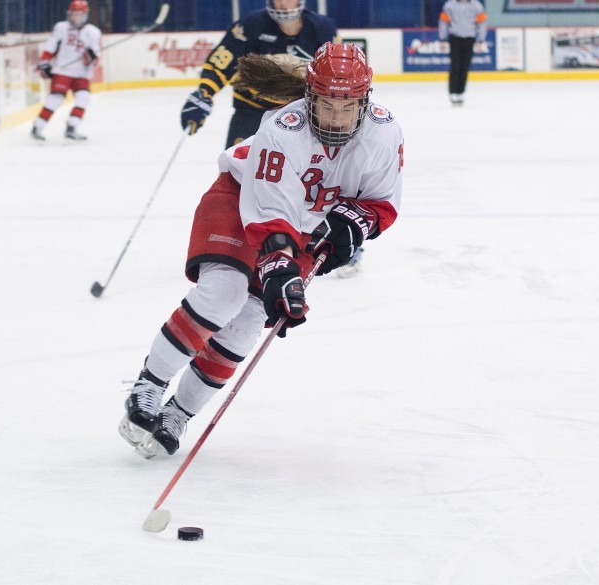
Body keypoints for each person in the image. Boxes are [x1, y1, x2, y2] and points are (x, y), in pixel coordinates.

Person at [119, 43, 403, 458]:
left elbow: (382, 202)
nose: (337, 119)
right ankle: (150, 383)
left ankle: (178, 412)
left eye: (348, 108)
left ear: (365, 101)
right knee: (226, 293)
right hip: (239, 201)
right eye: (327, 106)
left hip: (303, 225)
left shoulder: (384, 132)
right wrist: (282, 268)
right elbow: (269, 214)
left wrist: (354, 223)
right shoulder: (282, 128)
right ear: (310, 97)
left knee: (251, 320)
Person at [180, 0, 337, 150]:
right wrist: (204, 93)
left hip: (301, 113)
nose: (282, 3)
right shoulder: (250, 25)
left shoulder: (323, 28)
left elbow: (334, 72)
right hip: (251, 111)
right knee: (235, 172)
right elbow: (221, 62)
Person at [30, 0, 101, 142]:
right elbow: (50, 47)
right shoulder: (61, 27)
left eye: (78, 14)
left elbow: (96, 57)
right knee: (55, 99)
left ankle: (72, 127)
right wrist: (45, 62)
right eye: (73, 14)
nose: (75, 17)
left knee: (83, 98)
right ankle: (38, 126)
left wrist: (90, 57)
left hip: (82, 73)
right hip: (63, 70)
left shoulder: (93, 32)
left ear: (85, 15)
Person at [438, 0, 487, 106]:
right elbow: (443, 22)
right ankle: (453, 92)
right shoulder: (450, 5)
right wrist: (442, 38)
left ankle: (460, 92)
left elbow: (482, 23)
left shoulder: (476, 5)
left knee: (465, 66)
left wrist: (480, 40)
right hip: (455, 38)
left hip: (469, 38)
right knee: (455, 65)